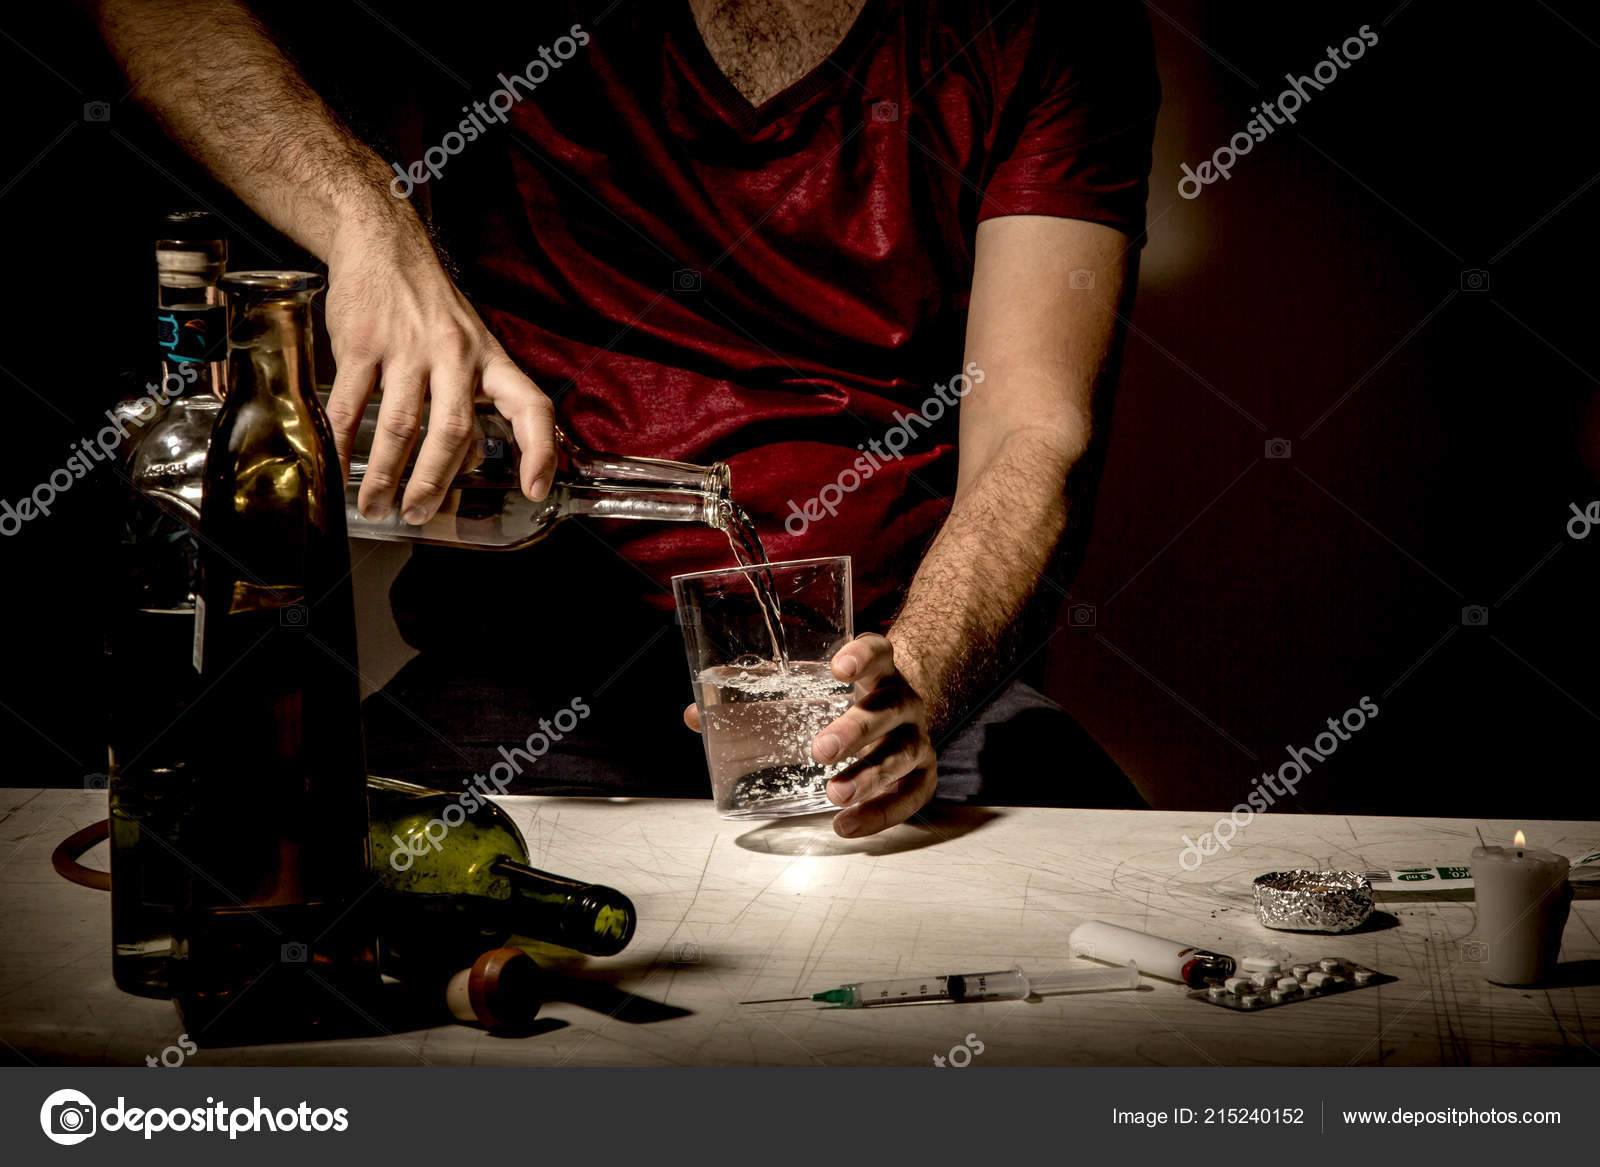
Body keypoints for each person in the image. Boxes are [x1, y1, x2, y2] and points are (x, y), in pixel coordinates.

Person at [92, 0, 1159, 835]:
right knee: (292, 899)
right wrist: (368, 223)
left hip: (896, 681)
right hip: (528, 681)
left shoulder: (1040, 25)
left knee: (1121, 970)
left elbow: (1034, 429)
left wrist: (908, 689)